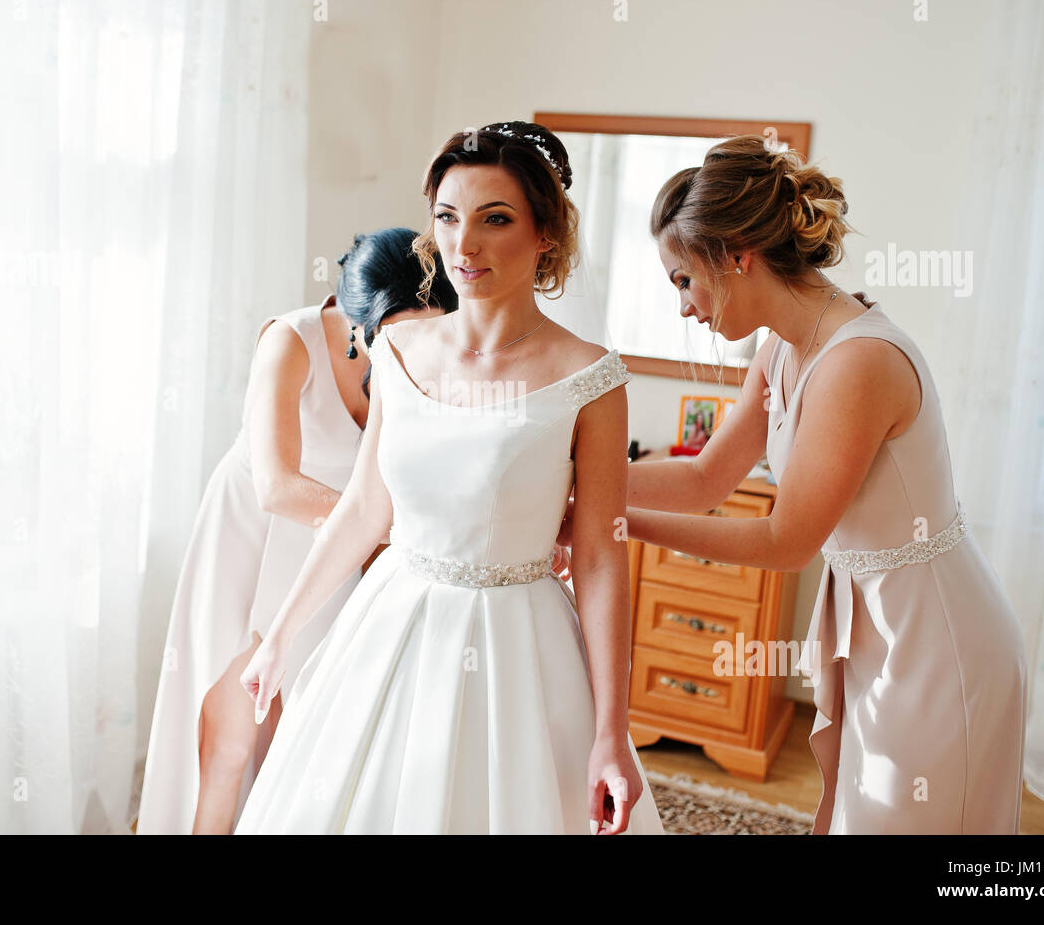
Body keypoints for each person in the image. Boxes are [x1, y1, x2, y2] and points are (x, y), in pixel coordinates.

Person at [584, 135, 1026, 833]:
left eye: (682, 279)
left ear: (736, 255)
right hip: (875, 627)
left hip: (936, 641)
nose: (684, 307)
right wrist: (588, 481)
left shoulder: (860, 362)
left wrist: (610, 520)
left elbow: (786, 541)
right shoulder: (781, 348)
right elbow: (705, 477)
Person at [231, 121, 664, 834]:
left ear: (546, 233)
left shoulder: (591, 377)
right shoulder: (400, 347)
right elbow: (367, 510)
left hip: (518, 645)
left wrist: (611, 731)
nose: (466, 245)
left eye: (497, 219)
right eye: (448, 217)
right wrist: (278, 635)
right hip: (391, 623)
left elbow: (599, 556)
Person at [136, 228, 456, 834]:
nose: (417, 350)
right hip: (250, 538)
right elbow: (276, 486)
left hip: (330, 552)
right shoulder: (290, 340)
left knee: (301, 738)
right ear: (363, 322)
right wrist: (391, 532)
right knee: (229, 739)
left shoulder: (429, 351)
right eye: (402, 335)